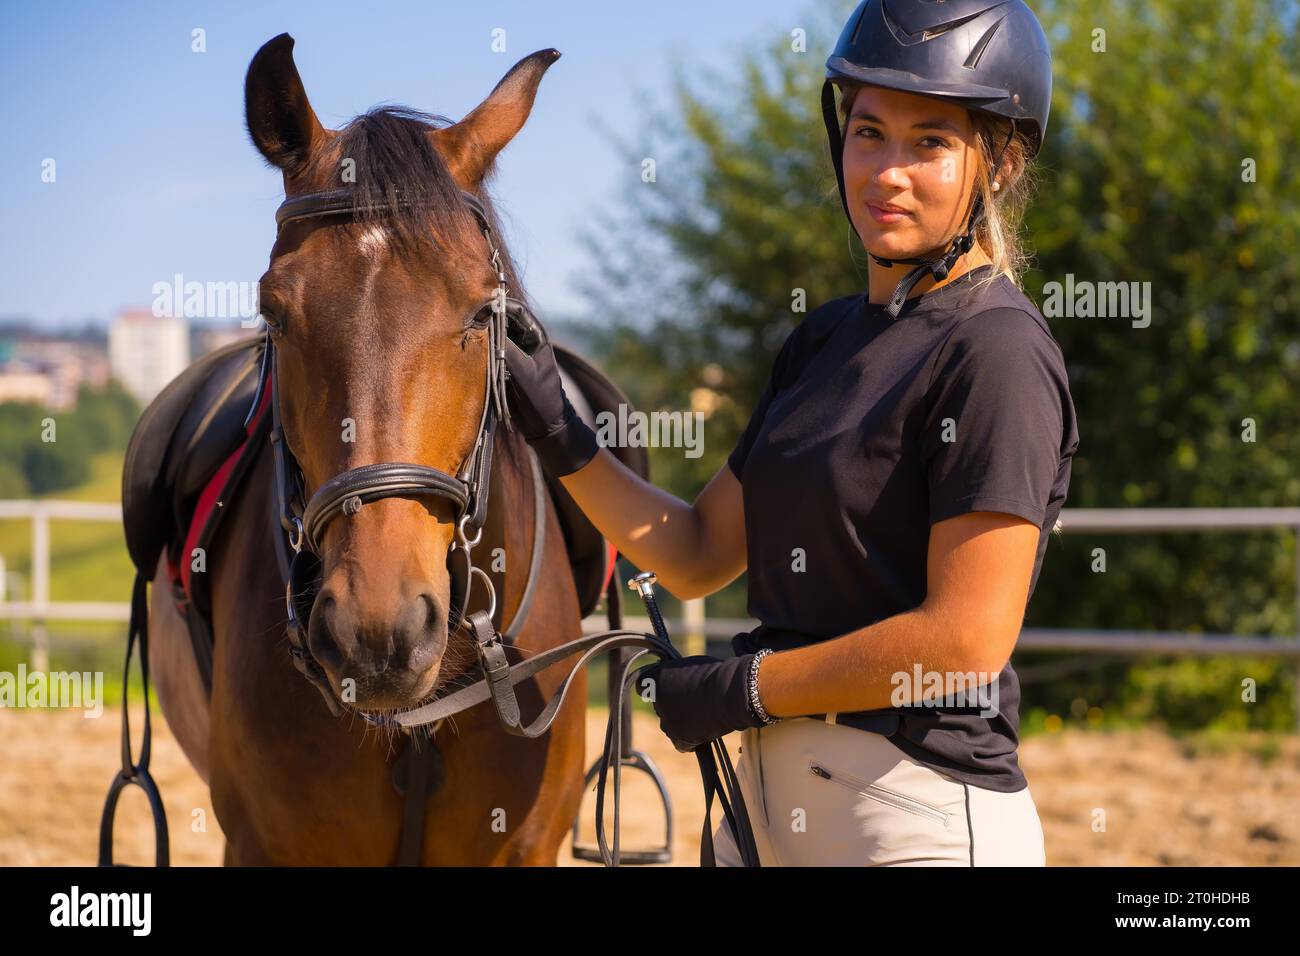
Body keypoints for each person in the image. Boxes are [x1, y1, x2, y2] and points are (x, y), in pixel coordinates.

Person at [502, 0, 1078, 866]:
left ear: (997, 162)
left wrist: (747, 688)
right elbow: (697, 553)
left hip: (913, 816)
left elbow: (965, 639)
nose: (886, 171)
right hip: (761, 816)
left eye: (930, 142)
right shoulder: (820, 341)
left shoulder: (995, 348)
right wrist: (560, 434)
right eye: (868, 132)